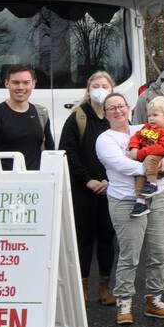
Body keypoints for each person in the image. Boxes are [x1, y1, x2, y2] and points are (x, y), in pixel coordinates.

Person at [95, 92, 164, 324]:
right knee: (130, 255)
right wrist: (153, 167)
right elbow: (121, 165)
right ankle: (124, 303)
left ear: (129, 108)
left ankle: (154, 300)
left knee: (158, 253)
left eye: (121, 106)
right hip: (126, 200)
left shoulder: (143, 128)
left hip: (158, 196)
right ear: (104, 113)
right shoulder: (105, 139)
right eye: (111, 108)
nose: (118, 111)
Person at [57, 70, 116, 306]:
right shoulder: (77, 118)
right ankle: (81, 287)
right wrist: (87, 180)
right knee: (84, 239)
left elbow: (127, 150)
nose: (100, 90)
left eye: (105, 86)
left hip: (112, 189)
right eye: (96, 86)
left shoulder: (116, 117)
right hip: (84, 190)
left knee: (107, 238)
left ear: (112, 90)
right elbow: (68, 152)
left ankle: (105, 287)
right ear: (88, 90)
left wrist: (111, 181)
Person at [0, 63, 54, 171]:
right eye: (15, 82)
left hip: (35, 180)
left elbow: (50, 151)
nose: (21, 87)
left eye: (26, 82)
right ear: (7, 83)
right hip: (2, 180)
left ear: (33, 84)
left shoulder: (41, 114)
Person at [125, 97, 164, 217]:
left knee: (150, 159)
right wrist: (133, 148)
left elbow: (162, 148)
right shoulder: (147, 128)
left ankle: (152, 184)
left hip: (157, 158)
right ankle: (140, 202)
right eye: (149, 115)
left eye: (155, 115)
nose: (151, 118)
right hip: (146, 159)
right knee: (139, 175)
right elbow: (135, 137)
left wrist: (140, 153)